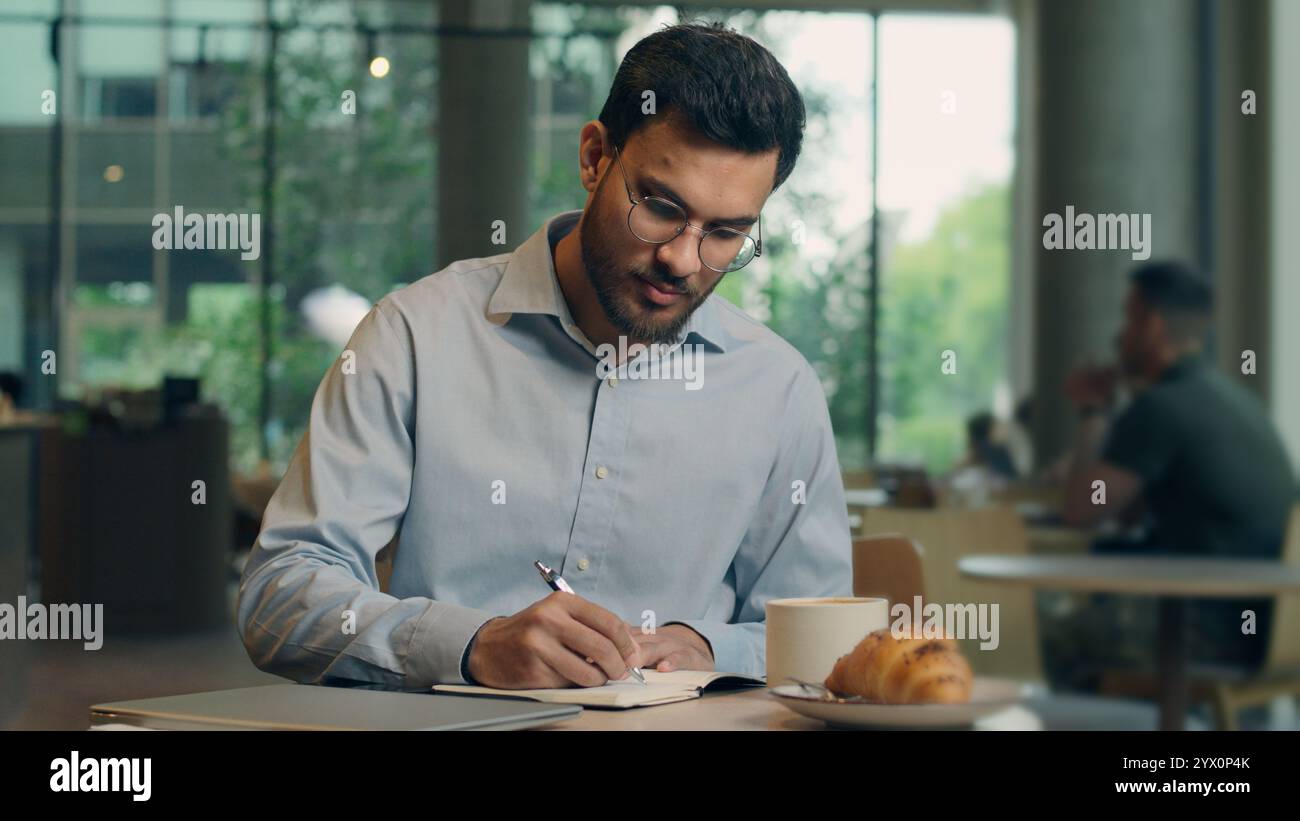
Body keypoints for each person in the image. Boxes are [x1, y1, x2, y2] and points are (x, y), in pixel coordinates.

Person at [237, 22, 852, 690]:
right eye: (660, 206)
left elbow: (821, 637)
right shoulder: (414, 336)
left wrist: (712, 647)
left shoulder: (779, 389)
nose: (680, 258)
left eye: (726, 232)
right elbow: (281, 591)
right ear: (594, 158)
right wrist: (471, 646)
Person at [1053, 260, 1297, 687]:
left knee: (1041, 634)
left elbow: (1080, 510)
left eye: (1127, 318)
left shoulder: (1161, 407)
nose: (1119, 336)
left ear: (1152, 325)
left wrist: (1091, 412)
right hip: (1271, 631)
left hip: (1205, 634)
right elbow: (1130, 510)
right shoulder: (1237, 400)